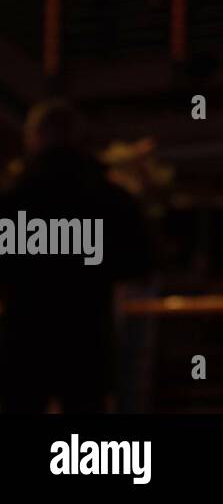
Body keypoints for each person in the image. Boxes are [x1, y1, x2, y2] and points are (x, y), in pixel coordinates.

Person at [0, 99, 153, 413]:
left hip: (25, 339)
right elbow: (140, 263)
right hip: (87, 338)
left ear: (35, 138)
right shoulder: (111, 199)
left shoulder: (15, 199)